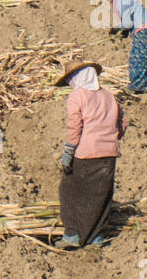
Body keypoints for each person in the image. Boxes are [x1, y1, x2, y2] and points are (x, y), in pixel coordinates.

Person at [54, 60, 126, 250]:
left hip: (85, 153)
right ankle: (95, 237)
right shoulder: (110, 97)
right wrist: (109, 138)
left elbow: (75, 127)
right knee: (100, 195)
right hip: (109, 154)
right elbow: (123, 124)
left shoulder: (77, 97)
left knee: (69, 191)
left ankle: (72, 234)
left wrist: (68, 153)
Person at [100, 0, 147, 94]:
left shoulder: (121, 2)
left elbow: (127, 23)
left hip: (143, 31)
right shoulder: (125, 0)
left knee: (138, 58)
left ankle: (138, 86)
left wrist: (117, 28)